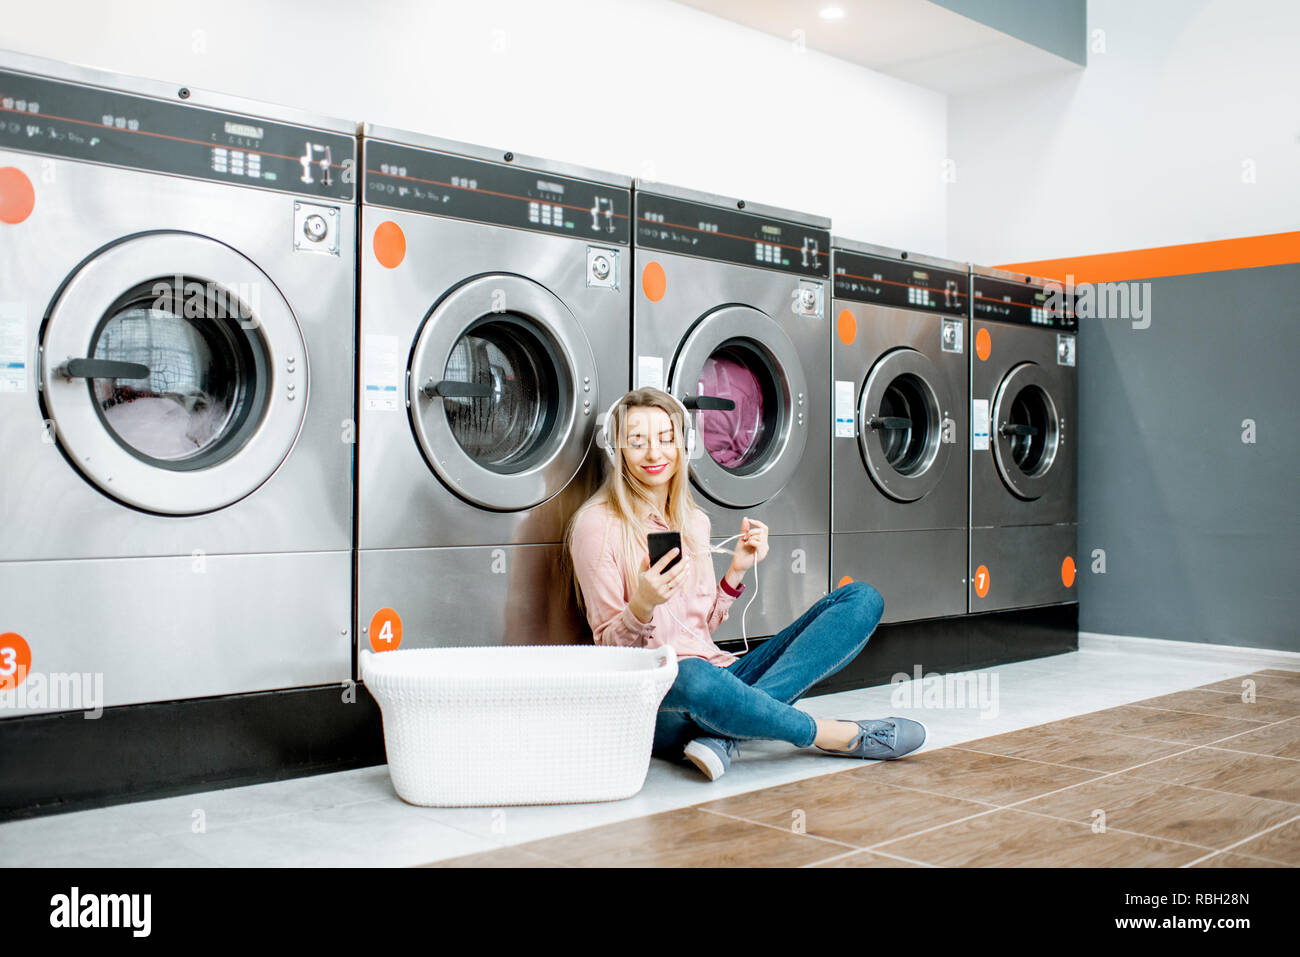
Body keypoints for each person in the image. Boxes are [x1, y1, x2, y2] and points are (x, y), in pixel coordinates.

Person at [564, 386, 925, 781]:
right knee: (689, 674)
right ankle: (832, 734)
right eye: (637, 442)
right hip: (657, 698)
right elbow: (609, 650)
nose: (655, 454)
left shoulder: (693, 521)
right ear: (617, 451)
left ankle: (725, 737)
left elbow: (698, 629)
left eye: (666, 439)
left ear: (681, 446)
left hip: (720, 677)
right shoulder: (596, 525)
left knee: (861, 599)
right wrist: (642, 605)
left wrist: (736, 572)